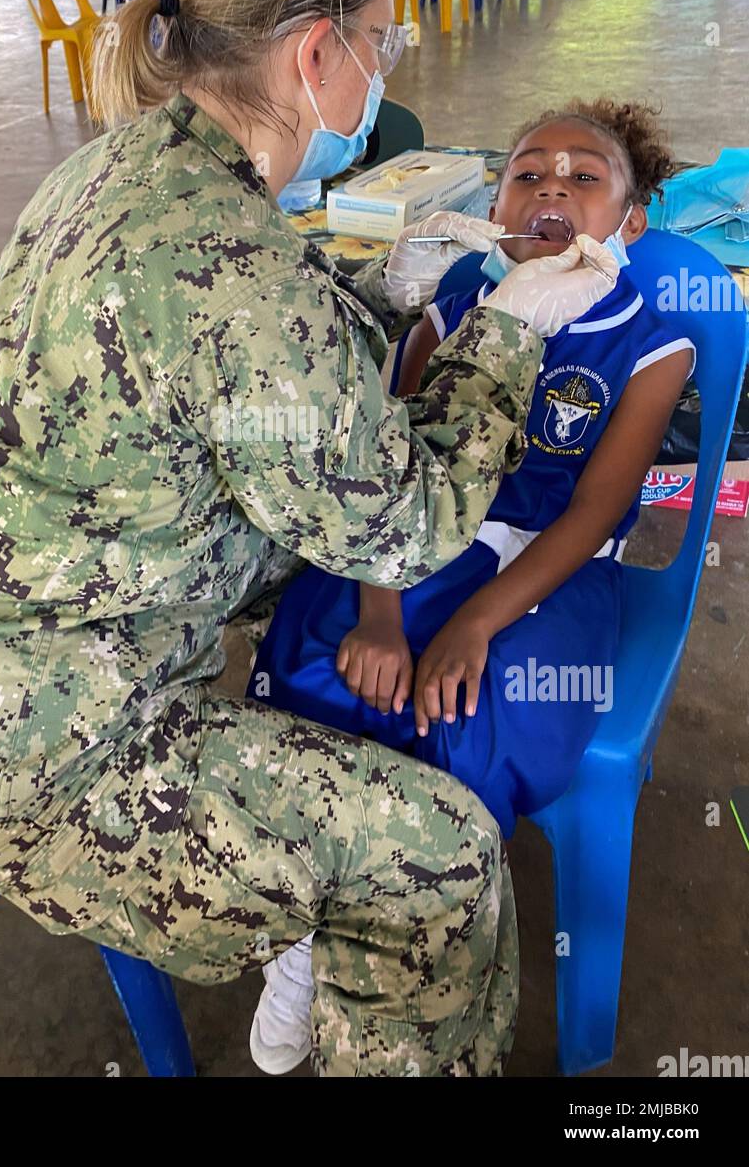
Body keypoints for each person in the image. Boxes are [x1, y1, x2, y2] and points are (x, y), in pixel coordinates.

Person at [0, 0, 613, 1078]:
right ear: (316, 57)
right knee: (438, 860)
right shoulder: (232, 261)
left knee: (312, 627)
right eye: (382, 37)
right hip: (15, 738)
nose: (387, 65)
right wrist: (509, 320)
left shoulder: (124, 168)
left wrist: (373, 292)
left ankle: (306, 939)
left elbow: (231, 368)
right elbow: (403, 528)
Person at [247, 100, 693, 1072]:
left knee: (484, 705)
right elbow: (385, 461)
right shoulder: (456, 298)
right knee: (322, 656)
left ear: (632, 221)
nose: (552, 189)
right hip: (419, 531)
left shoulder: (653, 344)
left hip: (554, 572)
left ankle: (393, 913)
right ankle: (306, 937)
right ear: (494, 203)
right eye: (528, 172)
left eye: (585, 177)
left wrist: (479, 623)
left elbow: (590, 516)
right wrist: (378, 610)